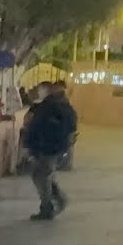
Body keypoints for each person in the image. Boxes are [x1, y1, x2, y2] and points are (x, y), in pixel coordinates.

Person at [25, 81, 78, 219]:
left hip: (49, 147)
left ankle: (48, 206)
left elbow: (43, 125)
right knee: (41, 175)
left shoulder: (54, 105)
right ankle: (56, 199)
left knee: (42, 175)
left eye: (41, 89)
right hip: (47, 146)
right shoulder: (50, 104)